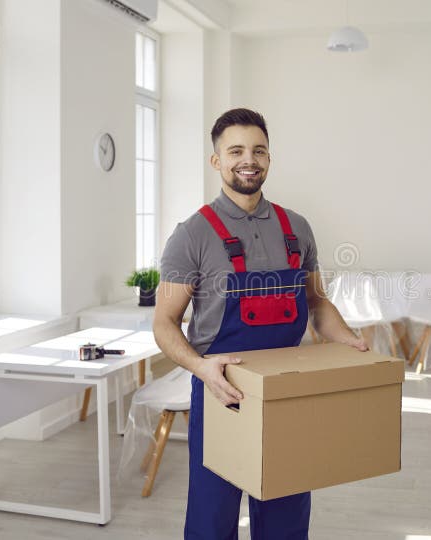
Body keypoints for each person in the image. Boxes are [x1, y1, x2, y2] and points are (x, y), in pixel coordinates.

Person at [153, 108, 368, 539]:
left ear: (269, 158)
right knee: (212, 518)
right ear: (216, 161)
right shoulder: (192, 234)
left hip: (288, 392)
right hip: (221, 391)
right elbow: (164, 322)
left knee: (286, 515)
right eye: (235, 150)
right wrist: (200, 368)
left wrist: (351, 342)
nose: (248, 160)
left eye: (258, 150)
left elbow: (317, 303)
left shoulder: (297, 229)